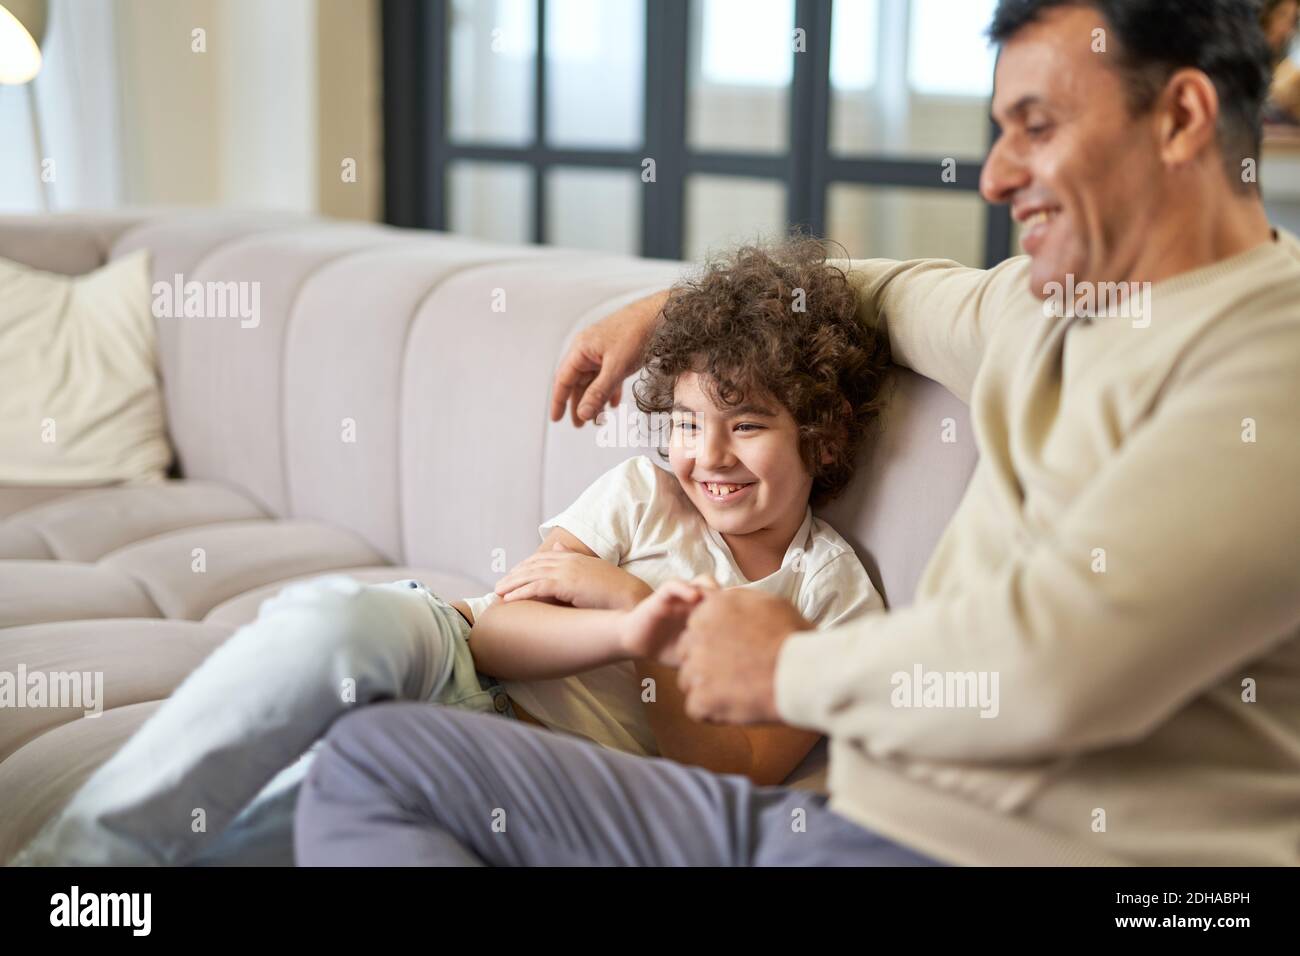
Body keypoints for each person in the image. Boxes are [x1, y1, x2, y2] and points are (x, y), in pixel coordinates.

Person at [293, 0, 1300, 867]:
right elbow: (881, 291)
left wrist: (785, 666)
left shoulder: (1270, 363)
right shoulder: (1041, 309)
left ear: (1178, 118)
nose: (993, 176)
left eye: (1033, 128)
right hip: (832, 824)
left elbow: (1055, 668)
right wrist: (674, 306)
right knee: (374, 758)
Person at [8, 236, 891, 866]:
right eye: (689, 424)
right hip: (459, 655)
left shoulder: (833, 594)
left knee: (290, 823)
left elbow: (730, 771)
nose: (708, 456)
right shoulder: (643, 494)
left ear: (823, 431)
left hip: (537, 775)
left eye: (747, 426)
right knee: (335, 624)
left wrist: (634, 618)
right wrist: (622, 627)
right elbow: (501, 633)